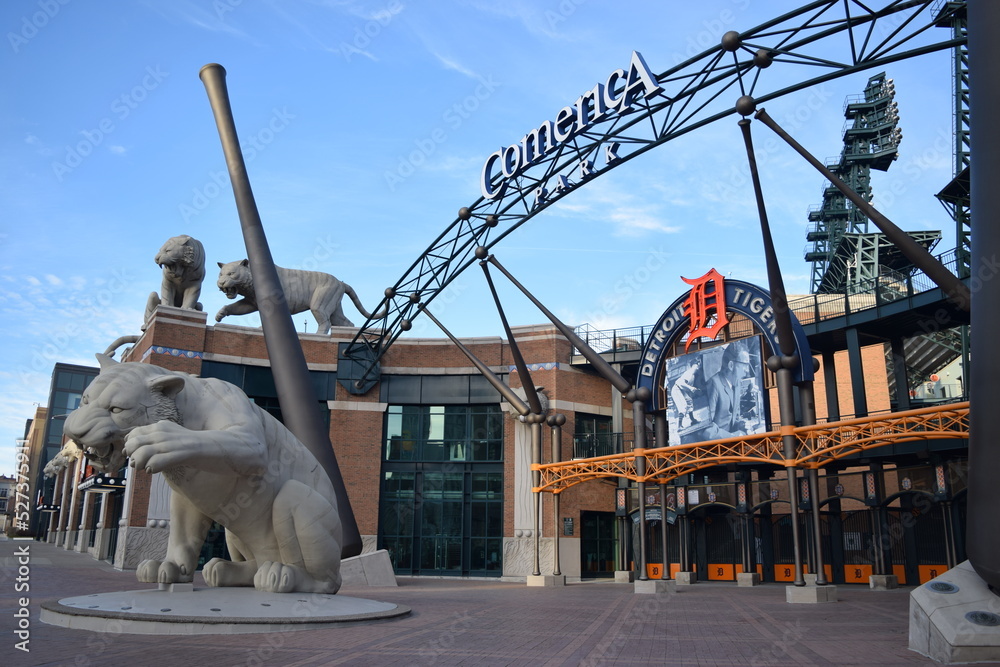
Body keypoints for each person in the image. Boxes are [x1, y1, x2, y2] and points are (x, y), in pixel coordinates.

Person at [703, 344, 753, 439]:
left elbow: (734, 419)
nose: (747, 370)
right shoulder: (713, 384)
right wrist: (732, 436)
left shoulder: (736, 384)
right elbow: (706, 428)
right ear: (731, 365)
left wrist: (742, 425)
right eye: (745, 365)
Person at [669, 356, 703, 429]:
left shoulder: (693, 375)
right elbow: (681, 383)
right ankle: (679, 426)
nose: (698, 366)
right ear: (694, 365)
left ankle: (692, 420)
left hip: (682, 390)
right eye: (696, 364)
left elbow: (687, 387)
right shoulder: (689, 372)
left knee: (690, 402)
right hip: (677, 389)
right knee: (683, 406)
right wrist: (691, 388)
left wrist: (692, 390)